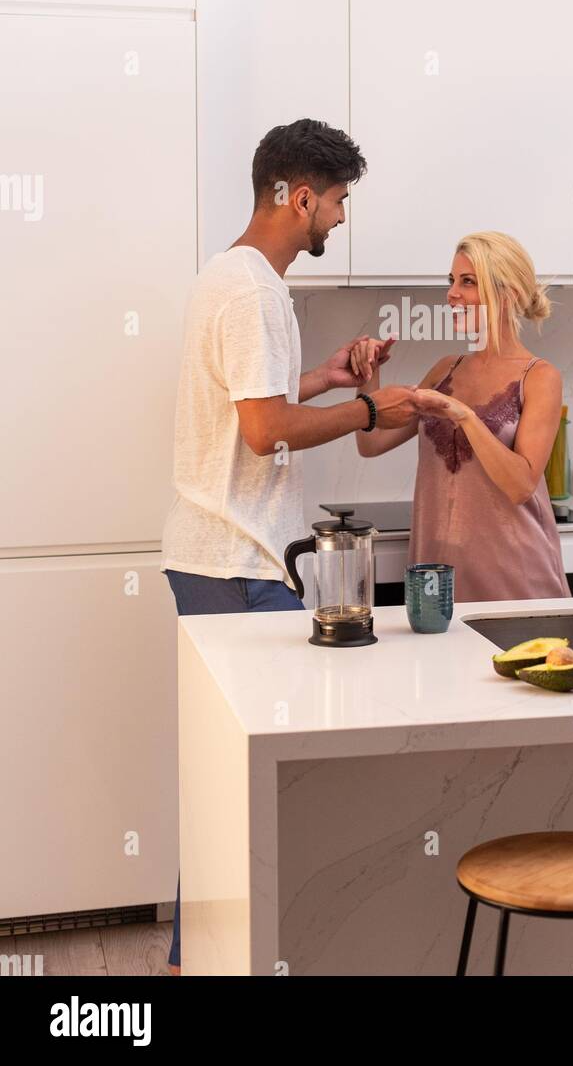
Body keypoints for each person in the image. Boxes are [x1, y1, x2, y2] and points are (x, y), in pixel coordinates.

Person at [161, 119, 411, 972]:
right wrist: (372, 409)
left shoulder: (228, 276)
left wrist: (329, 378)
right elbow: (266, 430)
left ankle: (197, 957)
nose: (338, 220)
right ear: (299, 196)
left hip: (211, 554)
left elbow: (257, 398)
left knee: (225, 779)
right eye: (338, 202)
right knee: (257, 783)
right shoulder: (257, 291)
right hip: (239, 561)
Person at [355, 231, 571, 605]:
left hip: (515, 579)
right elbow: (371, 443)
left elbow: (521, 484)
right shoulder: (445, 371)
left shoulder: (539, 377)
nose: (452, 293)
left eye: (468, 282)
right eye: (451, 281)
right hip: (436, 580)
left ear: (509, 295)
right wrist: (368, 378)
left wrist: (467, 418)